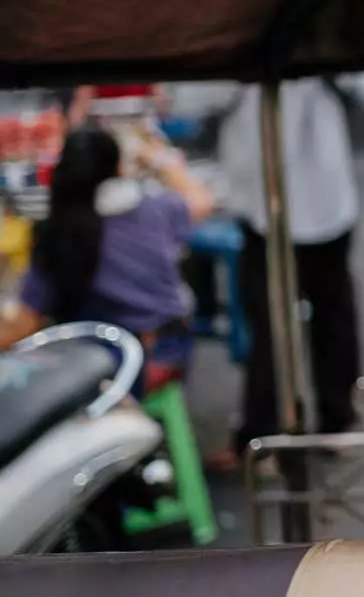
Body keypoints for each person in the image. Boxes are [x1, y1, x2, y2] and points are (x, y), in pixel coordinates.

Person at [168, 76, 364, 463]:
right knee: (268, 322)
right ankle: (265, 432)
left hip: (324, 196)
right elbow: (193, 97)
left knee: (330, 313)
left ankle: (335, 421)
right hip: (260, 201)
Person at [0, 126, 215, 395]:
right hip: (163, 351)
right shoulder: (155, 210)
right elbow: (202, 200)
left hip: (93, 364)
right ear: (118, 172)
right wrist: (159, 158)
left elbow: (24, 325)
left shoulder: (56, 233)